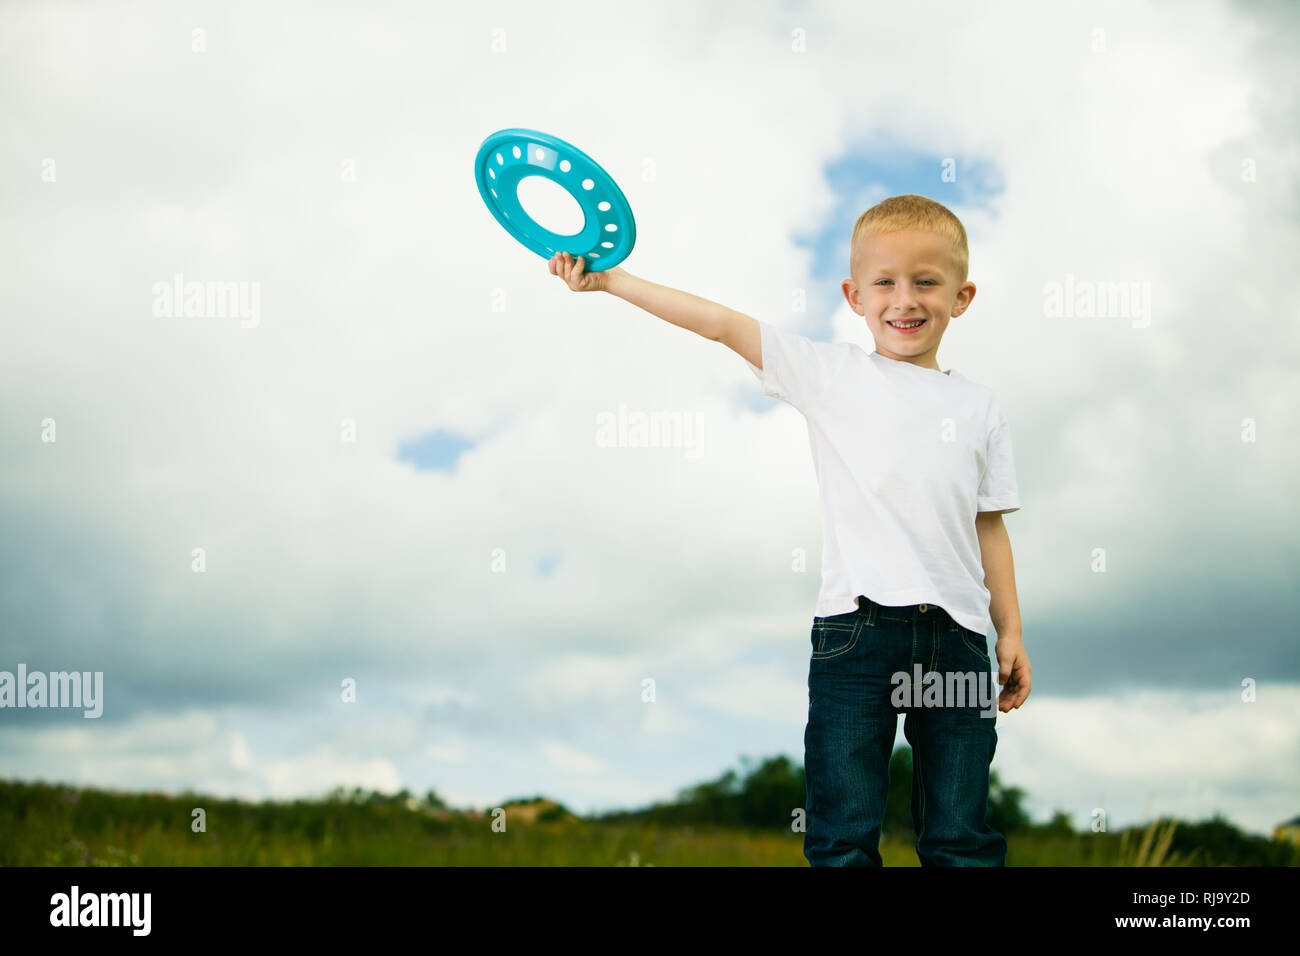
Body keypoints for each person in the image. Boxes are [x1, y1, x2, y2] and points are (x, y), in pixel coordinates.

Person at [547, 193, 1031, 866]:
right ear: (854, 296)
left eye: (926, 282)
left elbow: (989, 526)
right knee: (842, 833)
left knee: (961, 838)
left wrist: (1010, 631)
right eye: (884, 282)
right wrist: (611, 280)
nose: (905, 299)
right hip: (857, 634)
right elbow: (720, 324)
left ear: (962, 296)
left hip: (959, 639)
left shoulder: (980, 406)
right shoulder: (829, 373)